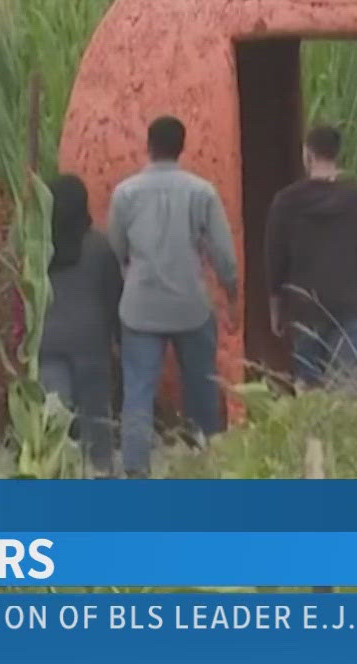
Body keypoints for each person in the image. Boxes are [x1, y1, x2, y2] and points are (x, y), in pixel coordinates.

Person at [106, 115, 239, 478]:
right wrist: (231, 295)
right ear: (182, 148)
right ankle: (208, 459)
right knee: (202, 386)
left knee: (138, 392)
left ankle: (136, 471)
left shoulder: (125, 194)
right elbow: (224, 256)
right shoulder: (202, 192)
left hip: (140, 310)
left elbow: (114, 250)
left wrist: (127, 281)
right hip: (191, 307)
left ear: (148, 145)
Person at [265, 123, 357, 393]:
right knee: (350, 383)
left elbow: (275, 258)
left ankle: (312, 433)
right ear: (337, 155)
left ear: (307, 155)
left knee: (307, 384)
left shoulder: (286, 201)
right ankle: (347, 434)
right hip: (349, 306)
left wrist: (276, 305)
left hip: (304, 305)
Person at [37, 173, 123, 476]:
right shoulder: (98, 246)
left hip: (46, 341)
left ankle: (55, 476)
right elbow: (114, 294)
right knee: (96, 416)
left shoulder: (37, 250)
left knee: (54, 416)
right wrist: (119, 339)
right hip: (91, 341)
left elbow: (20, 295)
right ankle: (100, 474)